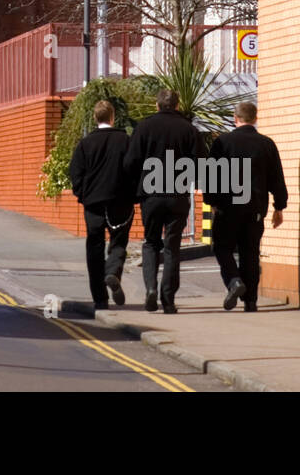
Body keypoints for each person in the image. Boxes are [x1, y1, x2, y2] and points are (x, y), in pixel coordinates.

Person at [124, 88, 201, 313]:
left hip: (151, 195)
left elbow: (130, 162)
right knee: (172, 247)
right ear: (177, 106)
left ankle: (150, 289)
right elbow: (200, 163)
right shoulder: (189, 129)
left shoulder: (144, 127)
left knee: (150, 242)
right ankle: (168, 300)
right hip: (177, 195)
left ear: (157, 105)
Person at [206, 101, 287, 312]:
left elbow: (212, 175)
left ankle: (234, 282)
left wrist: (212, 201)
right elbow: (276, 178)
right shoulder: (266, 144)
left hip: (228, 207)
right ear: (255, 118)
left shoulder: (222, 142)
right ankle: (251, 301)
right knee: (250, 252)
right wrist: (279, 207)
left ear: (235, 118)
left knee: (222, 247)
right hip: (255, 208)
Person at [68, 99, 136, 310]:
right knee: (118, 242)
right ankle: (112, 272)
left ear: (95, 118)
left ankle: (100, 299)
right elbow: (133, 169)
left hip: (94, 203)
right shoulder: (125, 140)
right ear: (112, 117)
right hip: (120, 201)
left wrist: (83, 195)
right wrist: (132, 194)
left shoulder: (85, 144)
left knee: (94, 247)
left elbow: (75, 173)